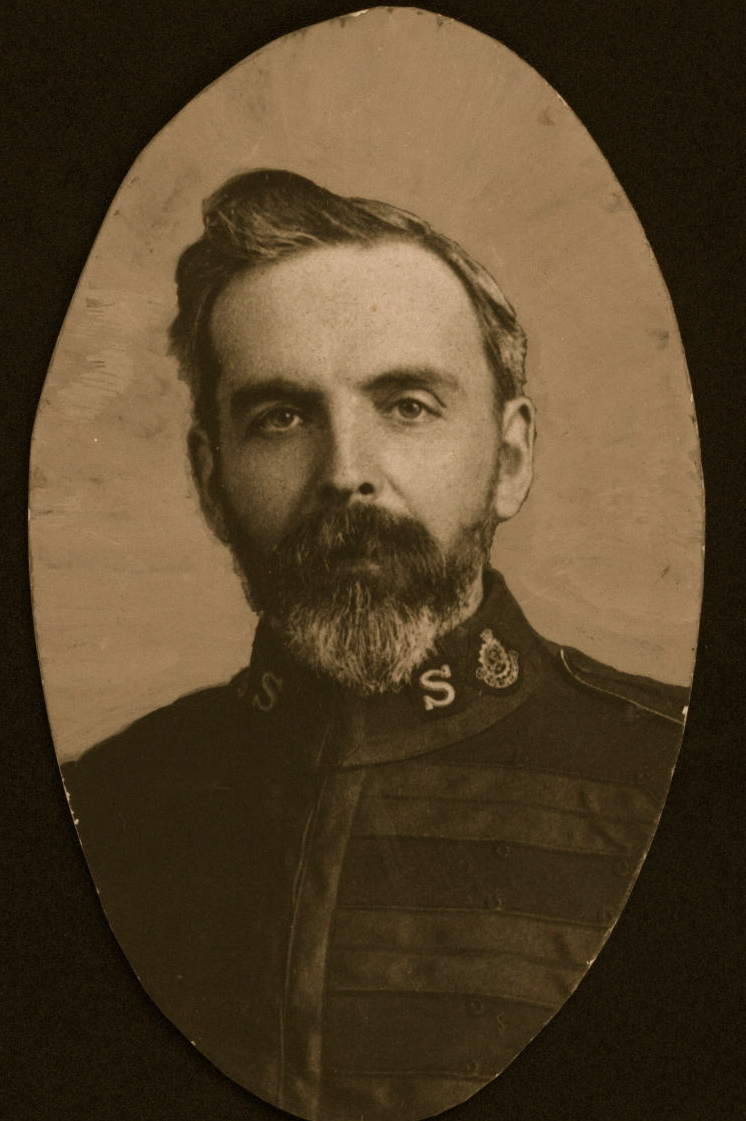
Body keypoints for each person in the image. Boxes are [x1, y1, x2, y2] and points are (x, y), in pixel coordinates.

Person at [61, 169, 688, 1121]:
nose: (347, 474)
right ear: (209, 478)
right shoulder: (97, 807)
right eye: (281, 417)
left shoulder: (670, 771)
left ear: (509, 459)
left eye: (407, 406)